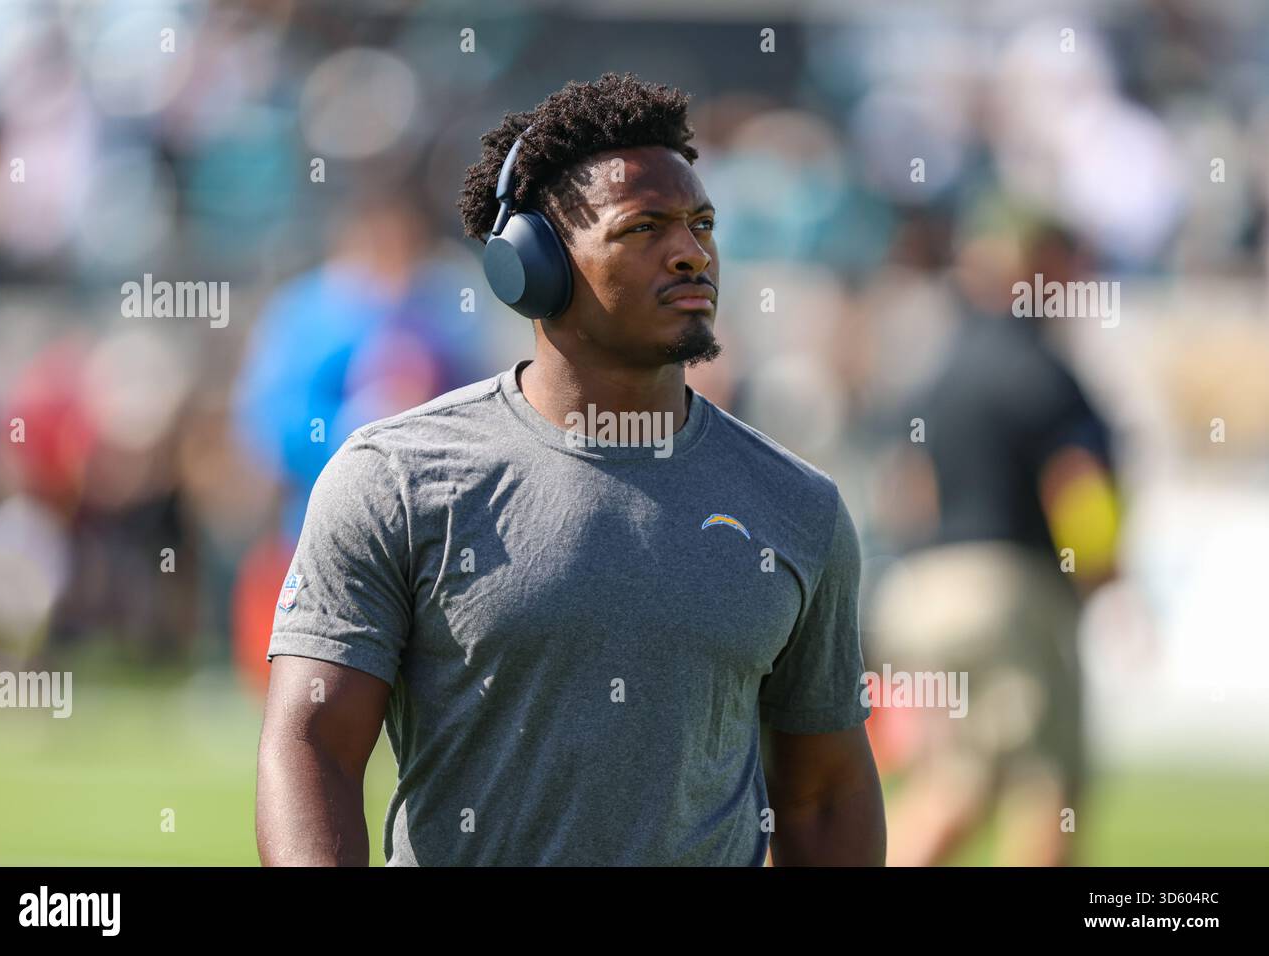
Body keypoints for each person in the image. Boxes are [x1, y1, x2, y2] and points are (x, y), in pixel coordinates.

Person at [255, 72, 885, 866]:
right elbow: (313, 745)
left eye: (702, 224)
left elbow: (824, 793)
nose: (692, 254)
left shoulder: (798, 505)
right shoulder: (394, 479)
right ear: (532, 265)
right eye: (643, 227)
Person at [870, 221, 1121, 866]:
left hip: (921, 590)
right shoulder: (1045, 372)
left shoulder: (939, 371)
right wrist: (1102, 575)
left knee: (954, 785)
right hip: (1009, 592)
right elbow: (1076, 482)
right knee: (1047, 786)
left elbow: (907, 491)